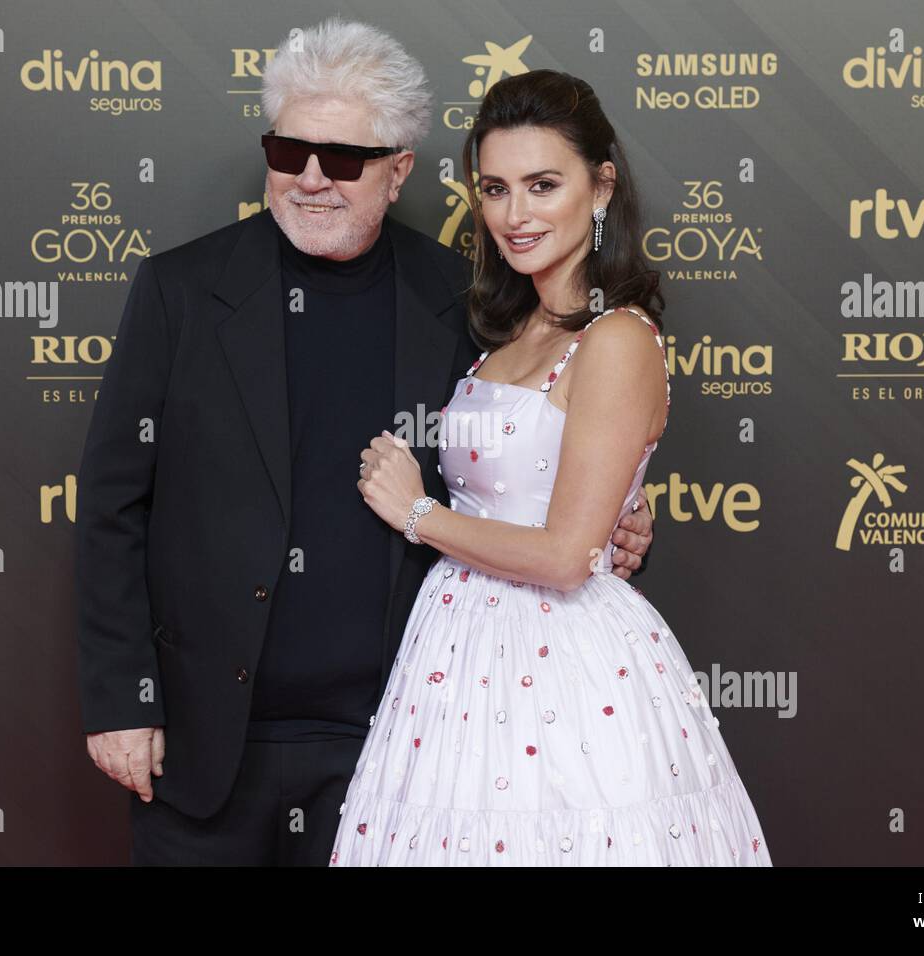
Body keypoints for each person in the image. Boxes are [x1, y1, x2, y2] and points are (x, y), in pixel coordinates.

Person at [73, 18, 656, 866]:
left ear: (398, 172)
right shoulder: (182, 290)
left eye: (344, 159)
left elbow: (529, 471)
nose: (311, 180)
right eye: (288, 152)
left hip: (403, 739)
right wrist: (121, 698)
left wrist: (619, 524)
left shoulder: (466, 302)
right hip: (202, 739)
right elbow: (112, 505)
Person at [331, 69, 772, 866]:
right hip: (454, 659)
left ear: (601, 187)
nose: (515, 214)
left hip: (565, 665)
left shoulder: (618, 339)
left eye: (543, 184)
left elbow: (569, 557)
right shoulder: (509, 331)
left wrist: (415, 512)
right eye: (495, 189)